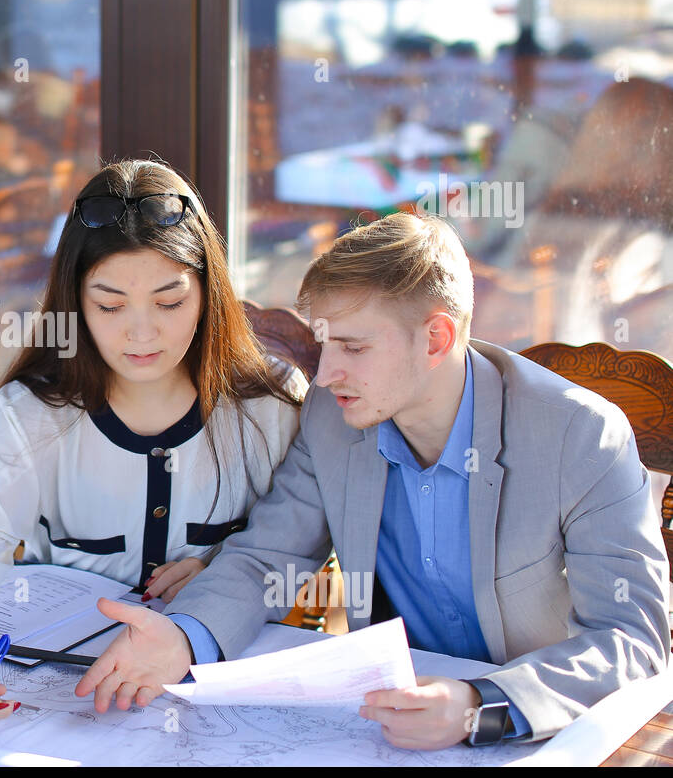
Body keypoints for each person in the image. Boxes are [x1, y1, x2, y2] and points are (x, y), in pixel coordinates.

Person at [75, 212, 670, 749]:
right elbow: (267, 559)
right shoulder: (332, 418)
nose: (326, 375)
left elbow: (633, 638)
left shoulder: (581, 435)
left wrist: (479, 705)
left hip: (545, 738)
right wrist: (186, 639)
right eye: (325, 344)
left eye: (354, 347)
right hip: (383, 729)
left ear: (436, 338)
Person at [0, 159, 307, 729]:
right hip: (62, 707)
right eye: (111, 305)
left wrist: (225, 578)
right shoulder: (32, 414)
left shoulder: (271, 405)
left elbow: (311, 560)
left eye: (169, 302)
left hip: (220, 707)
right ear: (75, 303)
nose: (141, 333)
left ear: (208, 294)